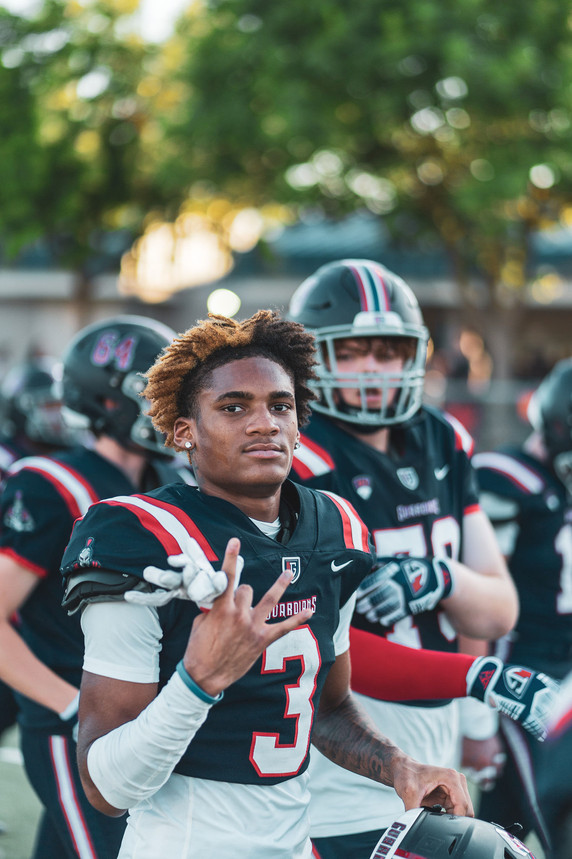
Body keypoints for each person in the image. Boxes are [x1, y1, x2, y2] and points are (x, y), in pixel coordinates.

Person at [59, 310, 473, 859]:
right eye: (234, 407)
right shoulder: (141, 539)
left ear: (301, 422)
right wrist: (198, 681)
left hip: (293, 845)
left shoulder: (335, 528)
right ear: (185, 430)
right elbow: (105, 790)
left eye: (281, 406)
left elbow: (326, 707)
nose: (264, 423)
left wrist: (399, 766)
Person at [285, 258, 520, 857]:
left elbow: (495, 610)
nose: (372, 368)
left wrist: (439, 578)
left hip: (437, 726)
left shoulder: (442, 438)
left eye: (387, 352)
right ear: (311, 360)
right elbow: (304, 637)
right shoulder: (295, 459)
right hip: (343, 739)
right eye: (353, 350)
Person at [0, 315, 193, 859]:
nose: (171, 404)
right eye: (155, 390)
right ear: (108, 402)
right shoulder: (50, 485)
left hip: (146, 715)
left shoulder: (171, 482)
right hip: (79, 724)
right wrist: (66, 704)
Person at [473, 357, 572, 855]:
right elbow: (481, 600)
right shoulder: (504, 478)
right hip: (523, 675)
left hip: (565, 675)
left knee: (500, 827)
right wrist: (479, 715)